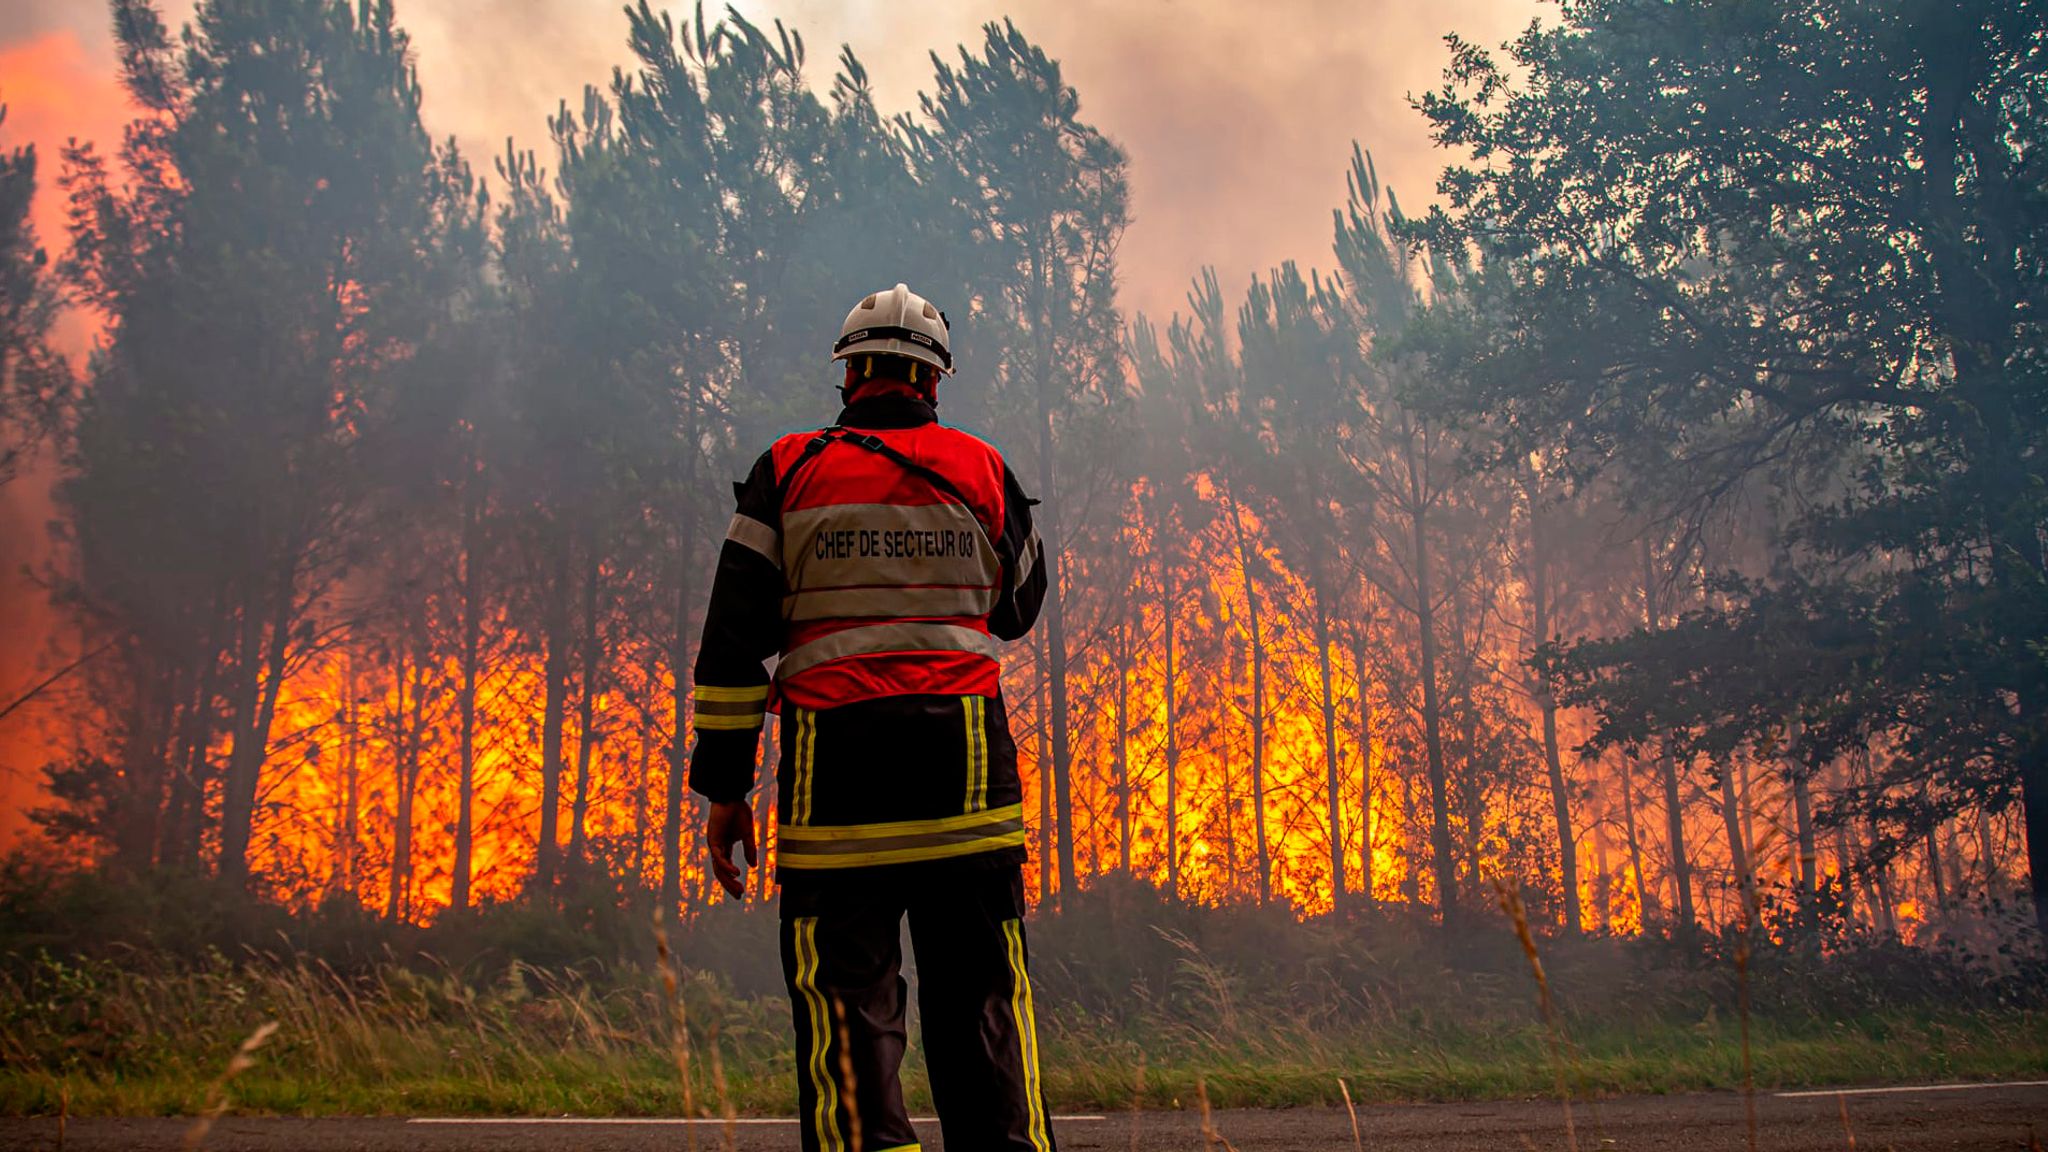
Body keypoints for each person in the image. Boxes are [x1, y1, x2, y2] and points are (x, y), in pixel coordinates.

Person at [687, 283, 1053, 1152]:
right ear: (936, 380)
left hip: (836, 791)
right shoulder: (984, 469)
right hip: (967, 784)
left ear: (849, 373)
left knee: (846, 1017)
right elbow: (1020, 608)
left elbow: (732, 651)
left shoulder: (787, 471)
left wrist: (725, 791)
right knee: (984, 1004)